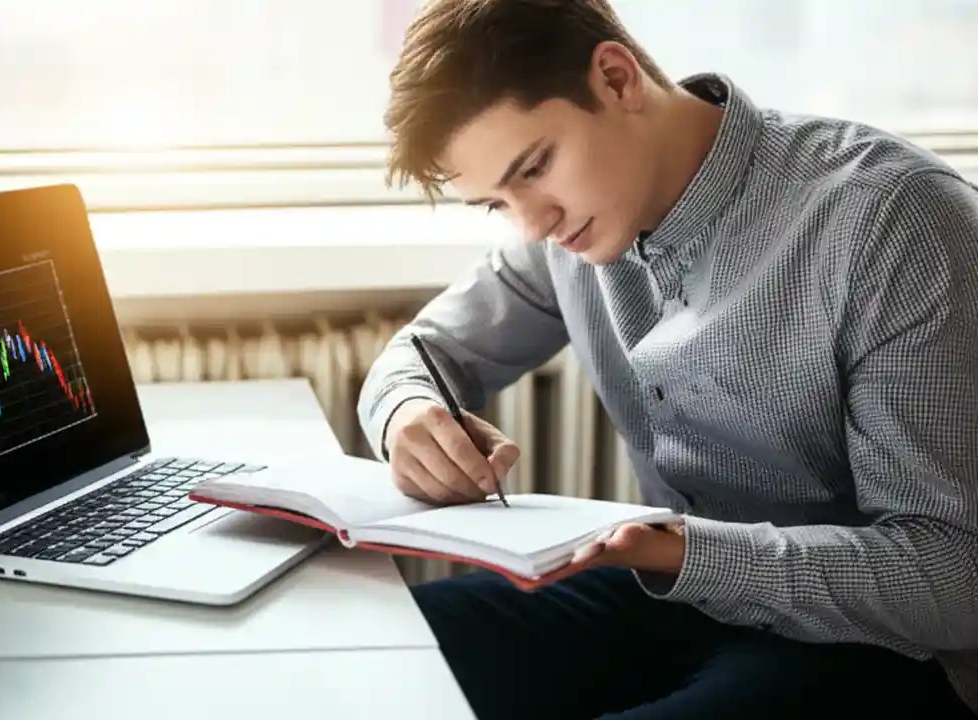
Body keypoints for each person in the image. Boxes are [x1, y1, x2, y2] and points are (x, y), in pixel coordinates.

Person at [355, 1, 978, 717]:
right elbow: (421, 354)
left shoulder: (894, 221)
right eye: (496, 203)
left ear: (617, 79)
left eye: (534, 167)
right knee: (366, 653)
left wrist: (684, 552)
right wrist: (408, 414)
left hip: (891, 651)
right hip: (680, 596)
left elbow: (956, 576)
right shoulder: (568, 228)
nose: (534, 223)